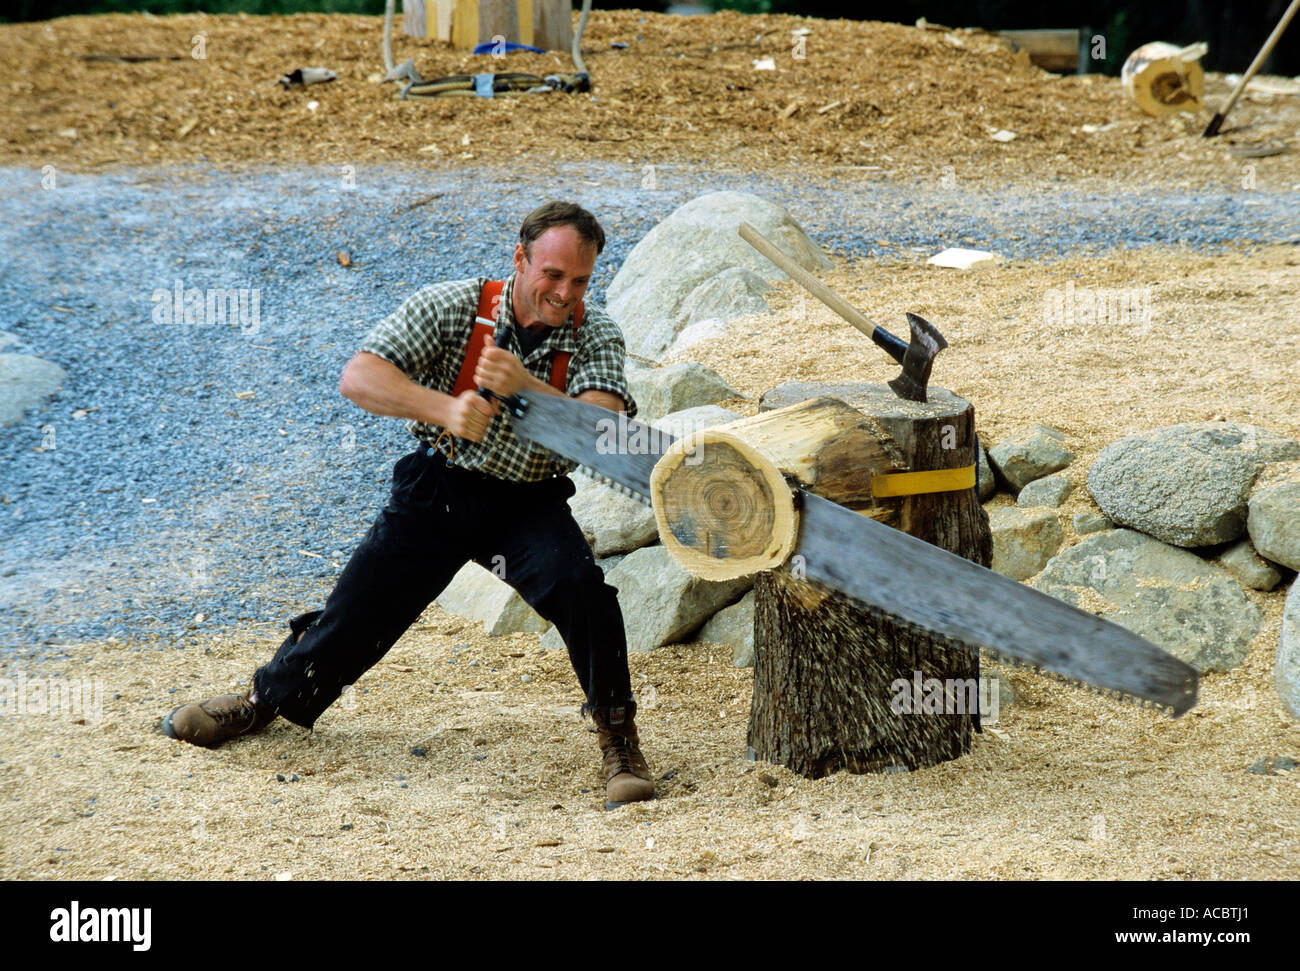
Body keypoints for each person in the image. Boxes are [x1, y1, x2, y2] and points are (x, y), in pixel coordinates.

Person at [162, 201, 655, 808]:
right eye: (552, 274)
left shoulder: (595, 332)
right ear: (520, 257)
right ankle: (263, 703)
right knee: (356, 610)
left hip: (528, 503)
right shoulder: (452, 306)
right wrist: (443, 408)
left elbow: (605, 431)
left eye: (579, 280)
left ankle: (618, 739)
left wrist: (527, 389)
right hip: (439, 489)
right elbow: (360, 376)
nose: (564, 292)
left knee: (583, 591)